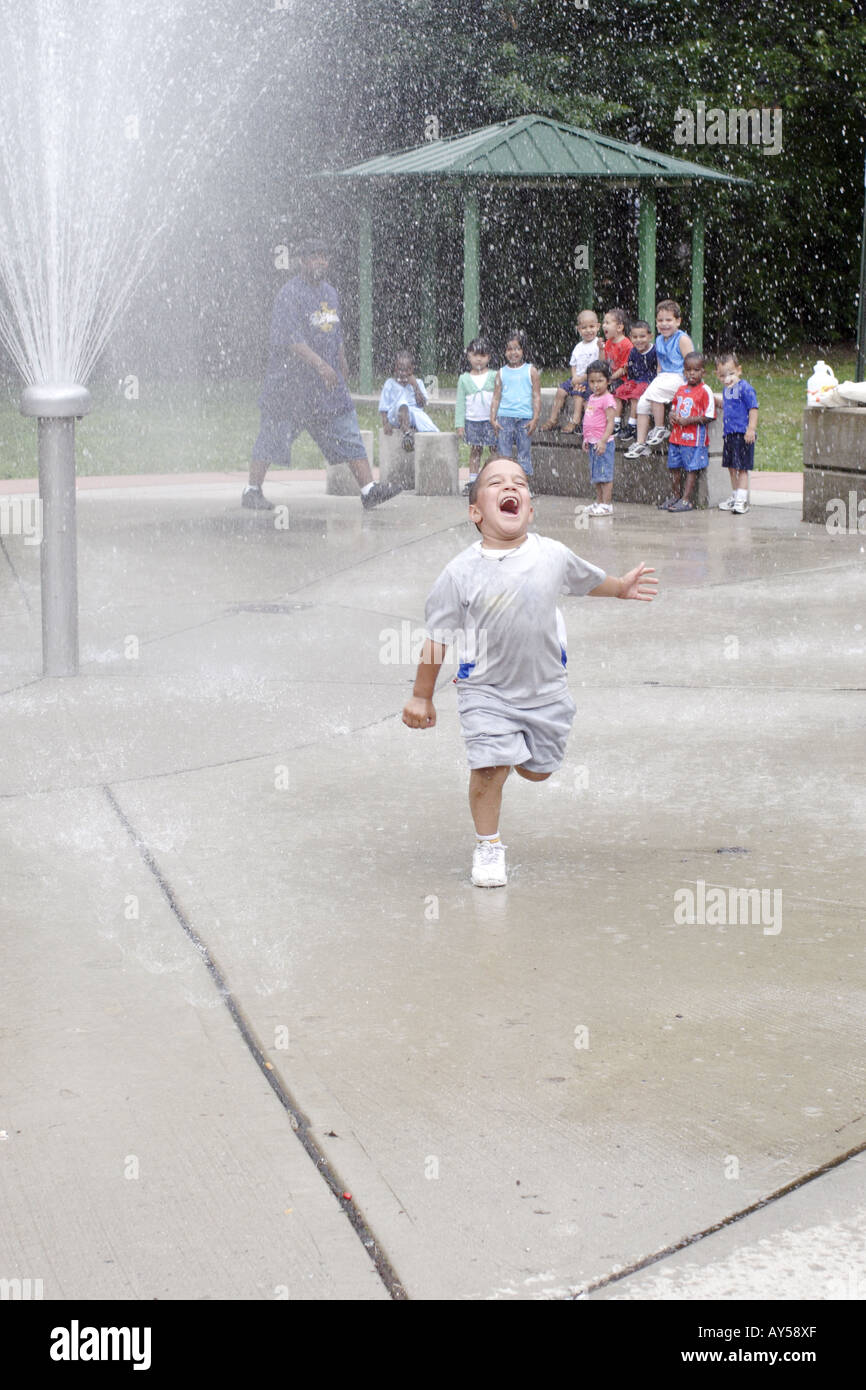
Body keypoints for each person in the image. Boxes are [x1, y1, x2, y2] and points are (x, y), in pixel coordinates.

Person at [402, 456, 658, 887]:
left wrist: (620, 588)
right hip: (485, 689)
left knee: (538, 771)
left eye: (519, 483)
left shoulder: (550, 554)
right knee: (489, 767)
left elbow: (585, 579)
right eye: (497, 483)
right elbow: (438, 637)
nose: (511, 487)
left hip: (546, 690)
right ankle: (488, 846)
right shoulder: (460, 573)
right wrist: (422, 695)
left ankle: (520, 754)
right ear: (476, 511)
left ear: (530, 508)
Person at [245, 236, 401, 511]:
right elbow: (291, 339)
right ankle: (252, 490)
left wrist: (341, 360)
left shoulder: (330, 293)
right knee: (273, 435)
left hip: (325, 388)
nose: (321, 261)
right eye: (314, 256)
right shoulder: (289, 294)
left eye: (324, 256)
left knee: (346, 428)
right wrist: (320, 364)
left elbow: (334, 330)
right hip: (290, 387)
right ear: (302, 261)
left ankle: (368, 490)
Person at [624, 300, 712, 457]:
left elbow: (691, 362)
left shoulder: (682, 339)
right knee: (643, 404)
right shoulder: (658, 340)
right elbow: (660, 364)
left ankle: (660, 428)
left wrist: (696, 386)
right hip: (664, 376)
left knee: (655, 392)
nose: (664, 324)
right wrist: (657, 377)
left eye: (669, 320)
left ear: (678, 321)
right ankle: (641, 442)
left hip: (680, 376)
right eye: (660, 320)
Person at [658, 352, 713, 512]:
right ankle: (675, 495)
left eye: (696, 370)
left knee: (691, 468)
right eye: (688, 370)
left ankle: (687, 499)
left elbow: (709, 415)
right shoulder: (681, 389)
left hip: (694, 439)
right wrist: (672, 415)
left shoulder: (705, 391)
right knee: (674, 467)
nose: (692, 373)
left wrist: (689, 421)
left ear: (703, 372)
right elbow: (675, 406)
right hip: (677, 437)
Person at [542, 310, 603, 433]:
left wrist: (582, 378)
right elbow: (573, 364)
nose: (588, 330)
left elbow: (601, 363)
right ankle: (553, 419)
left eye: (592, 327)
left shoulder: (598, 345)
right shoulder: (578, 346)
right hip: (577, 378)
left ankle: (575, 420)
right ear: (578, 329)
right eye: (584, 328)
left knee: (577, 392)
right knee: (560, 391)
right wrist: (574, 376)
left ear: (598, 326)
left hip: (590, 379)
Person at [489, 330, 541, 477]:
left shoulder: (531, 371)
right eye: (509, 349)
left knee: (523, 453)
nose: (513, 352)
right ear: (505, 352)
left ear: (523, 350)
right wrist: (492, 418)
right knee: (504, 454)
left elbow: (536, 396)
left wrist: (535, 418)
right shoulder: (501, 373)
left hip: (525, 418)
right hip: (505, 418)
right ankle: (505, 482)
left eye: (517, 348)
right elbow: (496, 397)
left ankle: (523, 485)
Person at [714, 353, 759, 514]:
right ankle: (735, 496)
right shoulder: (726, 390)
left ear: (739, 371)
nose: (727, 379)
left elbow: (753, 408)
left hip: (743, 433)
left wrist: (751, 429)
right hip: (730, 434)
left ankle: (742, 499)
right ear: (717, 375)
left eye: (731, 374)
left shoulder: (745, 388)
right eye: (723, 376)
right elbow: (729, 406)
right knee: (732, 467)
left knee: (742, 468)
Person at [455, 338, 497, 495]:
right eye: (475, 355)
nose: (479, 359)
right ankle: (473, 481)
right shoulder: (464, 379)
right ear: (468, 356)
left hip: (491, 420)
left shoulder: (494, 376)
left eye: (483, 355)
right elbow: (460, 403)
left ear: (489, 357)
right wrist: (460, 424)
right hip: (472, 421)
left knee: (495, 449)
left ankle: (491, 476)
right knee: (475, 450)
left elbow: (499, 397)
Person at [379, 350, 439, 452]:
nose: (402, 373)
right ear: (395, 368)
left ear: (411, 370)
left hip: (413, 414)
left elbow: (422, 403)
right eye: (399, 369)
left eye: (406, 370)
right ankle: (407, 435)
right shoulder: (390, 383)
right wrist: (385, 423)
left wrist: (415, 386)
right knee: (402, 404)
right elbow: (383, 406)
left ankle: (431, 447)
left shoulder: (418, 383)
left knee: (430, 427)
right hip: (395, 415)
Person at [581, 360, 616, 516]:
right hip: (593, 442)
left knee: (605, 475)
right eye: (592, 381)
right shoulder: (592, 398)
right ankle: (599, 502)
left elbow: (610, 423)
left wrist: (602, 440)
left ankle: (607, 504)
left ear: (608, 381)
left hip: (604, 444)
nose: (596, 385)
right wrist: (586, 439)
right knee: (596, 475)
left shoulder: (607, 399)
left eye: (600, 381)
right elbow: (588, 420)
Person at [615, 318, 657, 439]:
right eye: (635, 337)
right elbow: (631, 368)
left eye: (642, 336)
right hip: (635, 380)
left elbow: (656, 370)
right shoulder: (633, 351)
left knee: (635, 396)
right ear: (630, 337)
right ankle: (616, 423)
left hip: (648, 381)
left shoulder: (654, 351)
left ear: (650, 336)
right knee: (618, 393)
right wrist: (629, 382)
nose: (639, 340)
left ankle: (632, 425)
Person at [601, 308, 632, 432]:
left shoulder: (626, 344)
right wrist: (600, 348)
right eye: (603, 322)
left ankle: (616, 422)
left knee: (616, 394)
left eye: (607, 323)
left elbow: (625, 368)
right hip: (611, 377)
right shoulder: (608, 342)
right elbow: (603, 362)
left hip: (622, 378)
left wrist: (611, 378)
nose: (604, 326)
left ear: (619, 327)